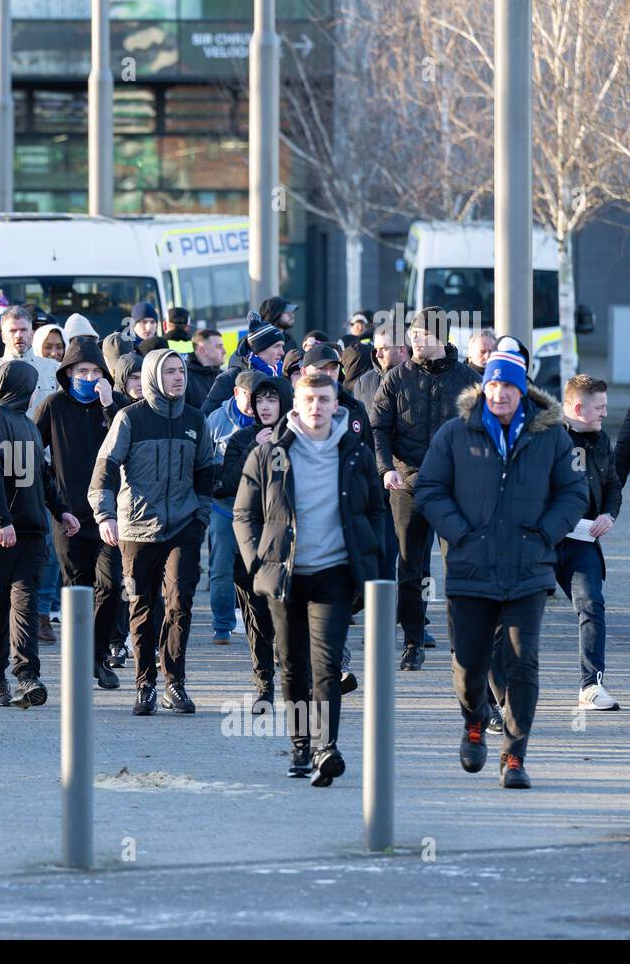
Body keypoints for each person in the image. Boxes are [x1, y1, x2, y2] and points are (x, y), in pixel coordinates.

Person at [415, 350, 586, 789]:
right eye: (492, 385)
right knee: (469, 663)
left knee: (522, 662)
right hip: (471, 569)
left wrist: (545, 534)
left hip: (528, 570)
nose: (499, 393)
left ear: (522, 390)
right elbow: (431, 488)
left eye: (508, 386)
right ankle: (474, 723)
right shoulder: (455, 434)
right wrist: (461, 534)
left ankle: (514, 757)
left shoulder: (551, 438)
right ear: (483, 387)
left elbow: (573, 492)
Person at [233, 373, 383, 785]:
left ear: (336, 404)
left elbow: (375, 510)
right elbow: (243, 514)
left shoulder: (355, 453)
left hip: (335, 575)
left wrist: (371, 561)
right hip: (285, 576)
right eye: (308, 399)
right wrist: (257, 563)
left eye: (324, 399)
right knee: (293, 665)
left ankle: (325, 746)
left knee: (327, 664)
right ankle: (300, 745)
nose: (316, 406)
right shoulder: (269, 453)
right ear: (295, 405)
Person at [89, 350, 215, 716]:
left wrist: (201, 515)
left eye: (180, 371)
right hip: (137, 528)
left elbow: (206, 469)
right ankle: (144, 685)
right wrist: (105, 515)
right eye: (170, 372)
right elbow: (105, 468)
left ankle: (175, 683)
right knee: (143, 608)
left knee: (180, 604)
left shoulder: (195, 419)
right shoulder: (131, 418)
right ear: (152, 377)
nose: (178, 377)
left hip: (184, 526)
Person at [370, 307, 479, 669]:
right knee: (409, 567)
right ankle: (413, 640)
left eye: (423, 334)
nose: (415, 340)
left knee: (459, 567)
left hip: (456, 490)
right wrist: (386, 469)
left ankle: (462, 645)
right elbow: (379, 429)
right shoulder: (396, 377)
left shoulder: (467, 379)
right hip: (406, 483)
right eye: (413, 334)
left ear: (442, 338)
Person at [0, 360, 78, 708]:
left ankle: (28, 676)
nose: (35, 393)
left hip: (30, 530)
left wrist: (60, 509)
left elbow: (43, 473)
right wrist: (1, 520)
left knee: (26, 605)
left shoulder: (27, 424)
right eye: (32, 386)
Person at [33, 337, 124, 689]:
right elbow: (29, 451)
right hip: (68, 515)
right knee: (77, 588)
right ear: (68, 372)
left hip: (109, 515)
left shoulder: (115, 407)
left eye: (95, 371)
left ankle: (97, 657)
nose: (89, 377)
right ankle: (79, 659)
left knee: (111, 586)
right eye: (82, 371)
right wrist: (51, 498)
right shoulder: (53, 406)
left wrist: (109, 406)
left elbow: (129, 443)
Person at [215, 376, 289, 708]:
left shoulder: (298, 438)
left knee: (287, 618)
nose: (265, 406)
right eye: (260, 401)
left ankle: (291, 678)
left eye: (272, 400)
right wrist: (253, 447)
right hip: (250, 542)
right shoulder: (242, 438)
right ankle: (263, 685)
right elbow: (227, 484)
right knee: (256, 619)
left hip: (289, 544)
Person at [555, 375, 620, 711]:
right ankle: (501, 692)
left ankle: (590, 686)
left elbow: (612, 485)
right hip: (542, 543)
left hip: (582, 545)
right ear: (578, 408)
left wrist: (609, 514)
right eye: (599, 408)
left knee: (591, 604)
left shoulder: (601, 440)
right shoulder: (547, 439)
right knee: (519, 613)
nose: (605, 414)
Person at [205, 369, 264, 645]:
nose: (257, 404)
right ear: (237, 393)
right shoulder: (216, 420)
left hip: (258, 507)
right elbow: (203, 462)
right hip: (223, 506)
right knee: (221, 566)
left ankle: (261, 623)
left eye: (261, 398)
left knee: (258, 566)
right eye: (251, 397)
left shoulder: (269, 419)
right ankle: (223, 625)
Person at [0, 306, 60, 415]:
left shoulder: (52, 368)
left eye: (24, 330)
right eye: (13, 331)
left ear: (32, 334)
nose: (19, 335)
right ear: (3, 337)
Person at [201, 312, 284, 417]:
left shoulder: (280, 374)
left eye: (282, 346)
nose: (282, 352)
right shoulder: (229, 378)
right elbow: (206, 421)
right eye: (277, 346)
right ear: (260, 348)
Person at [185, 327, 225, 410]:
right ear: (202, 350)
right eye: (219, 346)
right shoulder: (185, 379)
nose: (224, 351)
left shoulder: (224, 376)